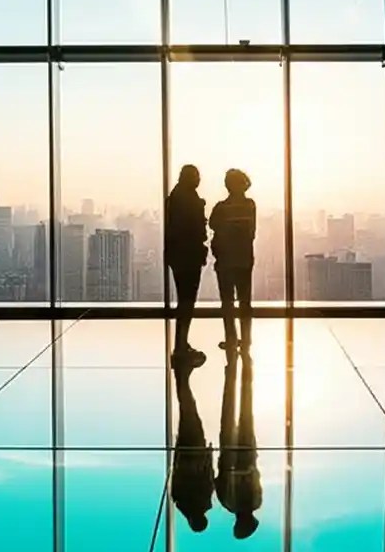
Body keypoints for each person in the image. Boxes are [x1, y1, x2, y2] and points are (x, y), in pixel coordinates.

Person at [209, 169, 256, 353]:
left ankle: (230, 338)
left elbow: (212, 224)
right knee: (245, 302)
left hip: (226, 261)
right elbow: (251, 232)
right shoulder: (250, 205)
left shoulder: (221, 208)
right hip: (244, 259)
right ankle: (246, 340)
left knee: (227, 302)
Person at [216, 351, 261, 539]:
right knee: (229, 407)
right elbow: (218, 480)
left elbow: (256, 478)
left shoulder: (255, 502)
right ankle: (232, 367)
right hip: (228, 455)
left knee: (245, 408)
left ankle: (245, 366)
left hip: (246, 454)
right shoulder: (227, 503)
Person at [166, 164, 208, 368]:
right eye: (196, 176)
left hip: (177, 256)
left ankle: (181, 344)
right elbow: (198, 230)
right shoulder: (190, 200)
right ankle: (181, 346)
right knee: (187, 302)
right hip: (189, 256)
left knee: (184, 301)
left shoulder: (174, 198)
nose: (199, 180)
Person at [171, 364, 213, 533]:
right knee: (186, 410)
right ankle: (181, 375)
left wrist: (208, 455)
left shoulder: (203, 502)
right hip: (185, 452)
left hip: (195, 451)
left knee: (189, 409)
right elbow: (175, 471)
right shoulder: (180, 500)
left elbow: (207, 475)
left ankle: (182, 374)